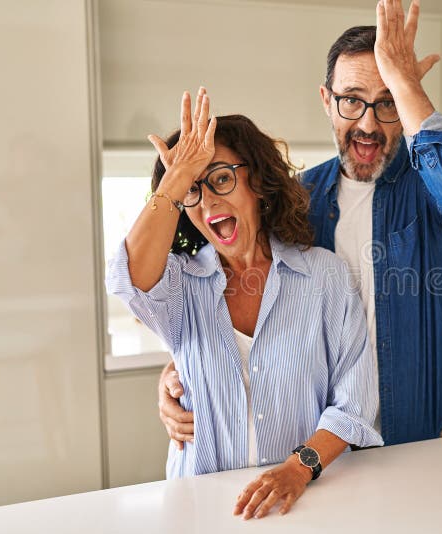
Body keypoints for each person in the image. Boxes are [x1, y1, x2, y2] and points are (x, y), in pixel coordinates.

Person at [158, 0, 442, 448]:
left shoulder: (427, 189)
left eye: (387, 102)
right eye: (352, 100)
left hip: (416, 434)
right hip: (320, 445)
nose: (368, 124)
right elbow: (239, 291)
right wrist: (178, 370)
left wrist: (407, 83)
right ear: (326, 100)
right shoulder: (296, 197)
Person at [107, 91, 382, 520]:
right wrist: (174, 181)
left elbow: (354, 404)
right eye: (192, 191)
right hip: (202, 508)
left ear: (257, 181)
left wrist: (297, 469)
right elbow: (128, 279)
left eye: (220, 179)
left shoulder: (324, 276)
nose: (209, 202)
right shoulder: (179, 284)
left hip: (303, 503)